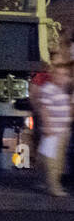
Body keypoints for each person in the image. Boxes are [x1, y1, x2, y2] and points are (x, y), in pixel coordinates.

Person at [33, 45, 71, 197]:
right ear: (53, 75)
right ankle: (54, 187)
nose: (64, 79)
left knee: (51, 158)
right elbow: (44, 109)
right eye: (61, 75)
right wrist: (48, 126)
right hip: (54, 130)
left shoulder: (60, 90)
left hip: (62, 130)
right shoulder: (48, 89)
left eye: (65, 76)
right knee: (54, 161)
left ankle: (45, 181)